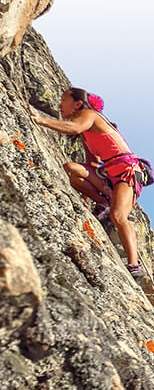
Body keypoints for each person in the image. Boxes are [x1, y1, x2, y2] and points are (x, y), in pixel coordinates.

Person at [29, 88, 145, 278]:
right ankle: (103, 202)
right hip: (109, 175)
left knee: (118, 216)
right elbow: (92, 163)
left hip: (127, 172)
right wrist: (89, 193)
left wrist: (40, 120)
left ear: (78, 104)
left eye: (64, 100)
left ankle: (134, 265)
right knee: (72, 169)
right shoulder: (87, 133)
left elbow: (73, 128)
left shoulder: (89, 115)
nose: (60, 105)